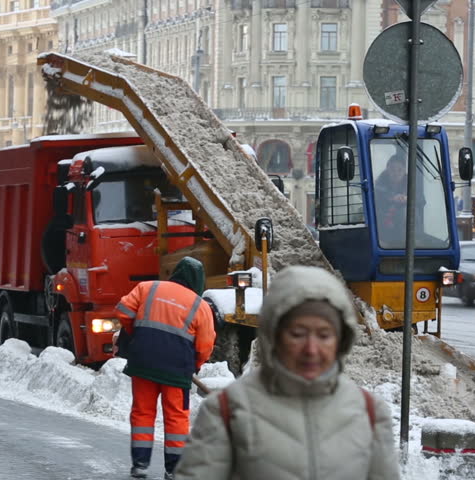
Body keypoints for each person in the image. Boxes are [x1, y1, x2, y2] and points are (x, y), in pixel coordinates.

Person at [174, 266, 401, 480]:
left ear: (341, 340)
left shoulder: (370, 414)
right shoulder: (227, 412)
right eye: (297, 333)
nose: (311, 349)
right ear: (274, 335)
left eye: (324, 335)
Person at [114, 256, 216, 480]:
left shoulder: (147, 287)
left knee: (142, 412)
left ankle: (140, 464)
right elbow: (205, 345)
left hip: (143, 362)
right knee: (176, 418)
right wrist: (195, 364)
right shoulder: (201, 306)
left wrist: (137, 334)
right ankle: (174, 469)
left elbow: (123, 310)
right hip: (177, 370)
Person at [374, 154, 408, 248]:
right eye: (392, 169)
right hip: (383, 232)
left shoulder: (412, 184)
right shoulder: (380, 182)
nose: (396, 173)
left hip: (406, 233)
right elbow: (379, 196)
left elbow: (420, 200)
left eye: (400, 170)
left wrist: (409, 199)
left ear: (405, 170)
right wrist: (392, 198)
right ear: (387, 169)